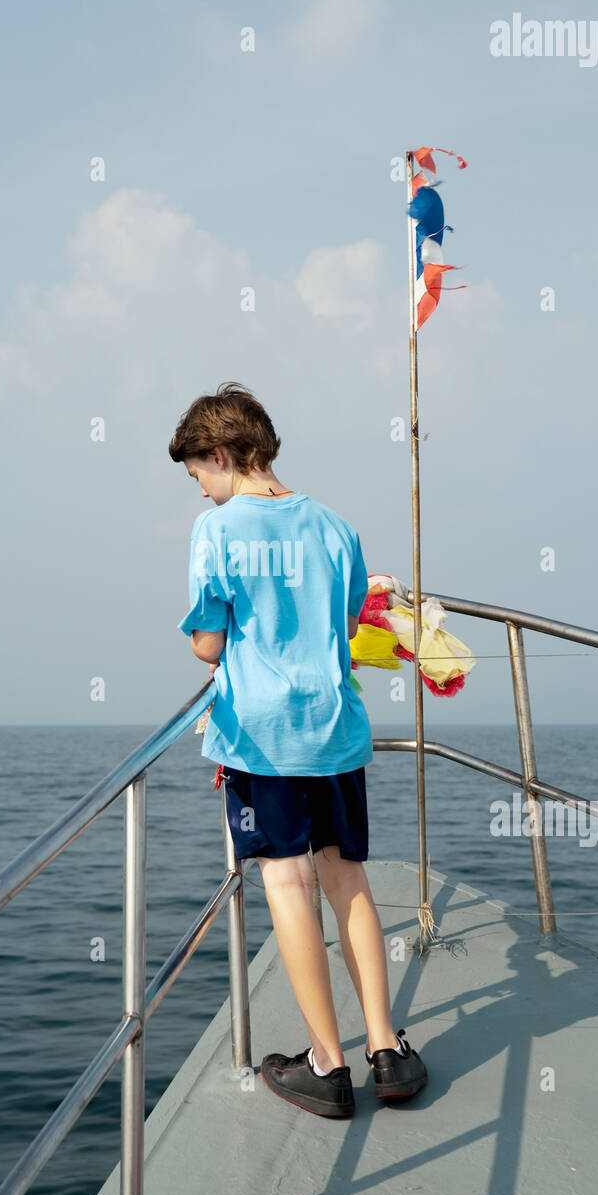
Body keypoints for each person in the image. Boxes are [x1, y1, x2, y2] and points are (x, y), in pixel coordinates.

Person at [169, 381, 427, 1119]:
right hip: (333, 729)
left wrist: (217, 635)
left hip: (261, 737)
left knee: (287, 884)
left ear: (220, 454)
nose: (202, 490)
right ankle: (386, 1051)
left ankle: (327, 1064)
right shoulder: (336, 526)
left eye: (199, 474)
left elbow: (207, 643)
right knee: (346, 879)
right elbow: (344, 623)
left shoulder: (216, 530)